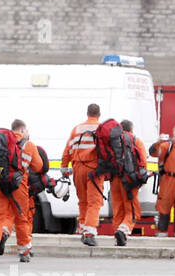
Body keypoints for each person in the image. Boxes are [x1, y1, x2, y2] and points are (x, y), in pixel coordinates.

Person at [0, 119, 42, 263]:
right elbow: (38, 167)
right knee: (21, 218)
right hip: (19, 185)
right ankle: (24, 252)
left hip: (0, 184)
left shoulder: (3, 143)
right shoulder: (29, 145)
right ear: (22, 130)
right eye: (27, 130)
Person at [62, 103, 104, 246]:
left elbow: (68, 149)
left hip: (78, 168)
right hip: (94, 169)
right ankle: (90, 233)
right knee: (94, 202)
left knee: (83, 200)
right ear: (99, 114)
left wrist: (64, 168)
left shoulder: (77, 129)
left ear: (87, 113)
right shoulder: (101, 129)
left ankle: (82, 229)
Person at [111, 119, 147, 246]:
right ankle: (123, 230)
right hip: (129, 180)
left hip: (114, 179)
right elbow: (142, 162)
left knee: (118, 209)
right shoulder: (135, 140)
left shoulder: (113, 141)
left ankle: (118, 237)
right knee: (132, 210)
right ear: (131, 129)